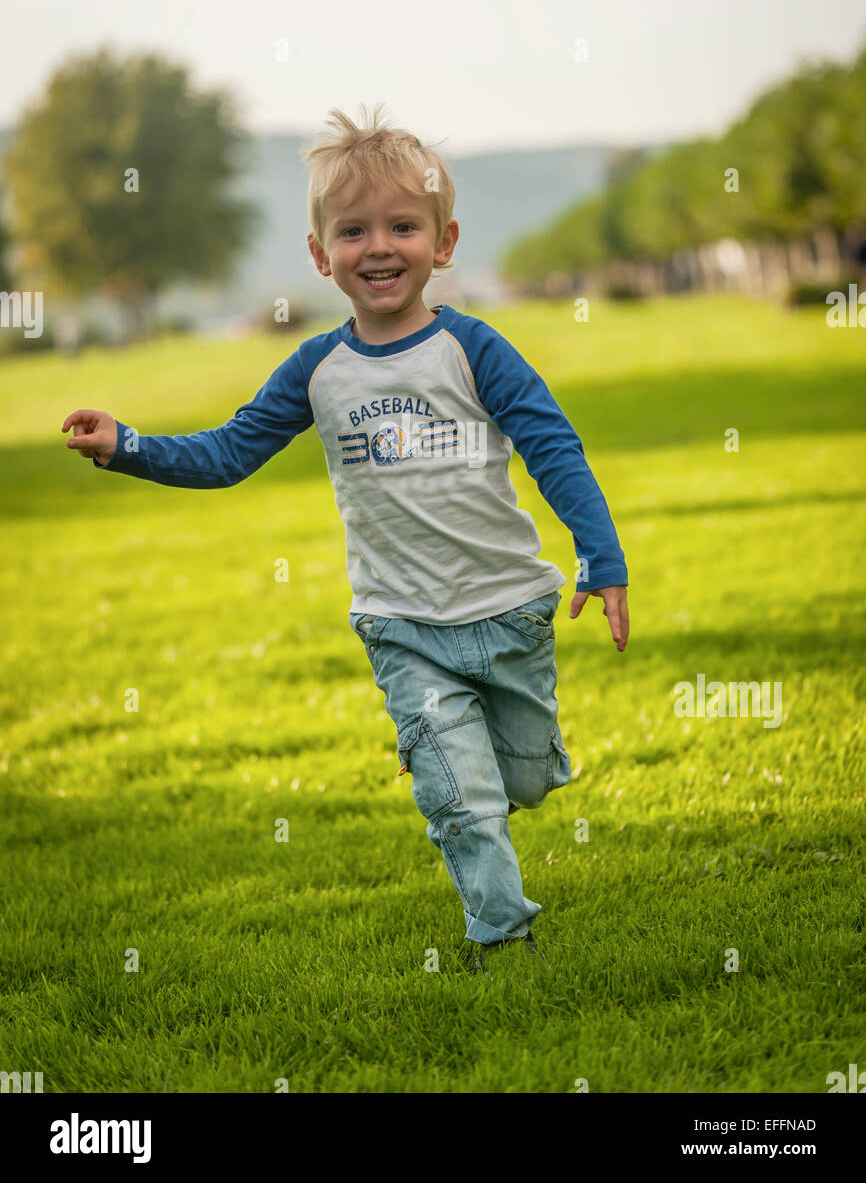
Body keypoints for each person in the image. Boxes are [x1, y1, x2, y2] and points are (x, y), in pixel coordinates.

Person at [62, 103, 629, 974]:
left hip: (509, 611)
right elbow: (229, 451)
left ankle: (491, 759)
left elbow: (553, 446)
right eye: (354, 230)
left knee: (519, 780)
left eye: (403, 226)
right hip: (402, 624)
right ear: (322, 255)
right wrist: (129, 447)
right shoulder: (318, 369)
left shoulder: (475, 350)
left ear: (442, 243)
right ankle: (502, 933)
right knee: (460, 797)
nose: (379, 247)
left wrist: (601, 555)